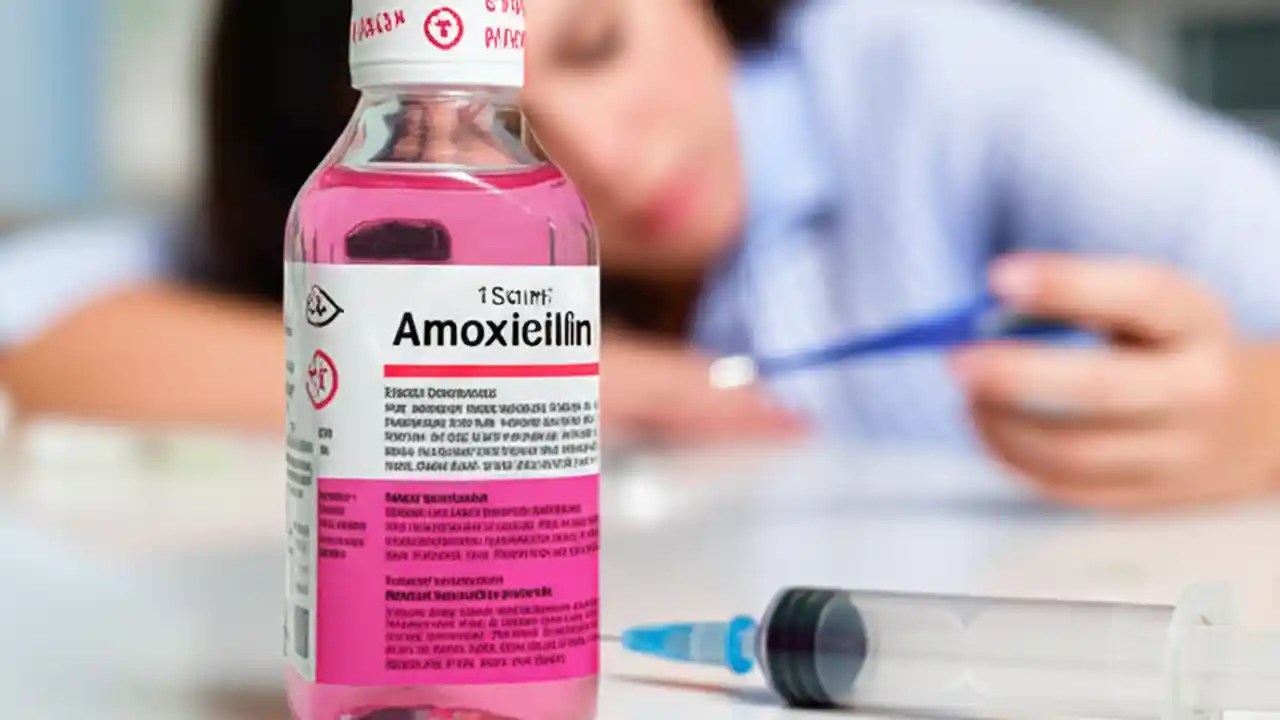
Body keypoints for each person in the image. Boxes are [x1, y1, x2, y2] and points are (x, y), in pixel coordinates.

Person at [521, 0, 1280, 508]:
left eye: (597, 47)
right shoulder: (481, 275)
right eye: (509, 136)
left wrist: (1256, 419)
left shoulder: (946, 80)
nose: (602, 157)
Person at [0, 0, 798, 442]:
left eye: (596, 45)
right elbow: (39, 327)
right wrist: (572, 376)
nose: (605, 159)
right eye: (482, 141)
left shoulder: (905, 83)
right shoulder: (340, 204)